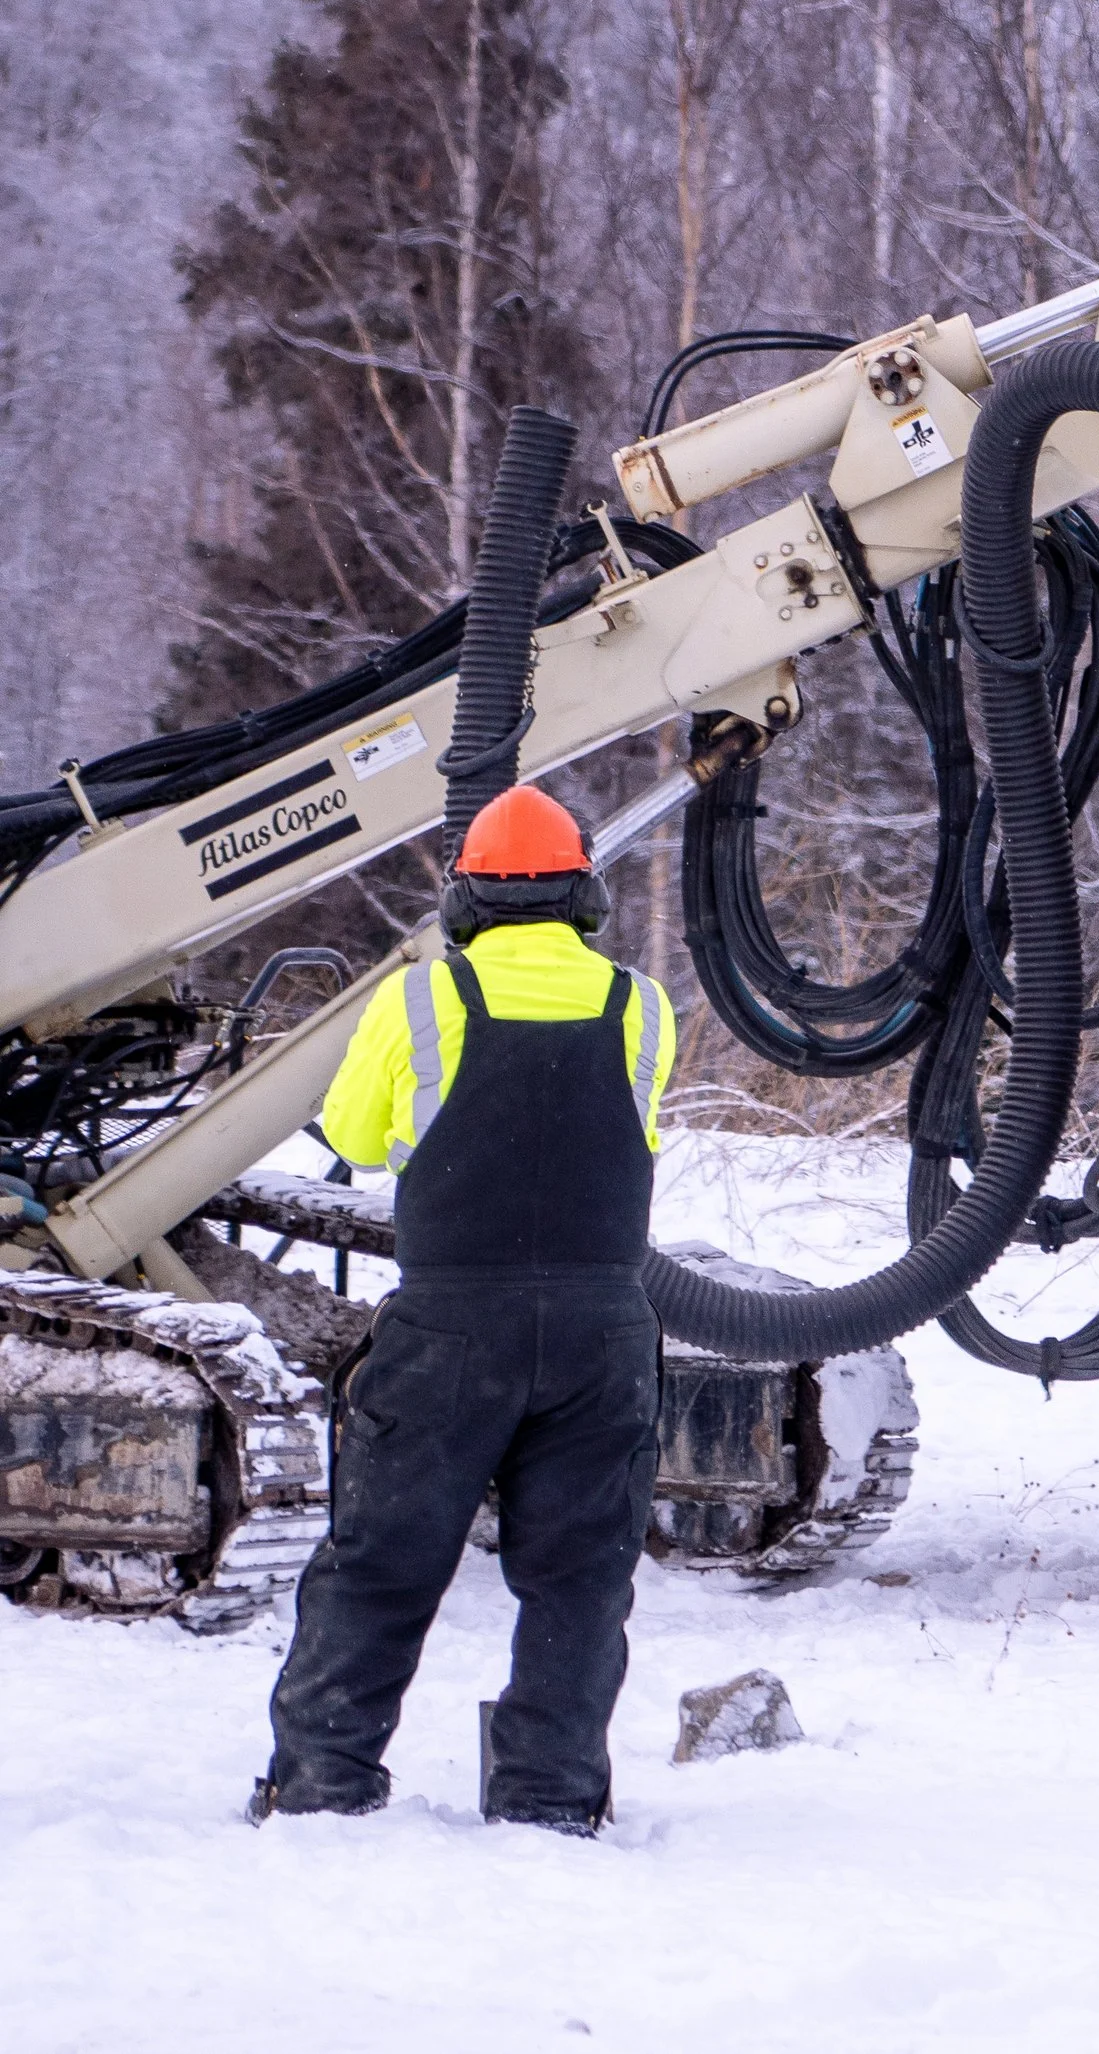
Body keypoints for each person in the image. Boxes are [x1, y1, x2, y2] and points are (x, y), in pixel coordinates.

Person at [253, 782, 676, 1833]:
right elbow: (639, 1135)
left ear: (466, 901)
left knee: (382, 1563)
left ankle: (322, 1782)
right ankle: (550, 1797)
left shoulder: (413, 1002)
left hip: (450, 1327)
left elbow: (352, 1138)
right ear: (586, 896)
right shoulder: (643, 1004)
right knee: (580, 1580)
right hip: (602, 1331)